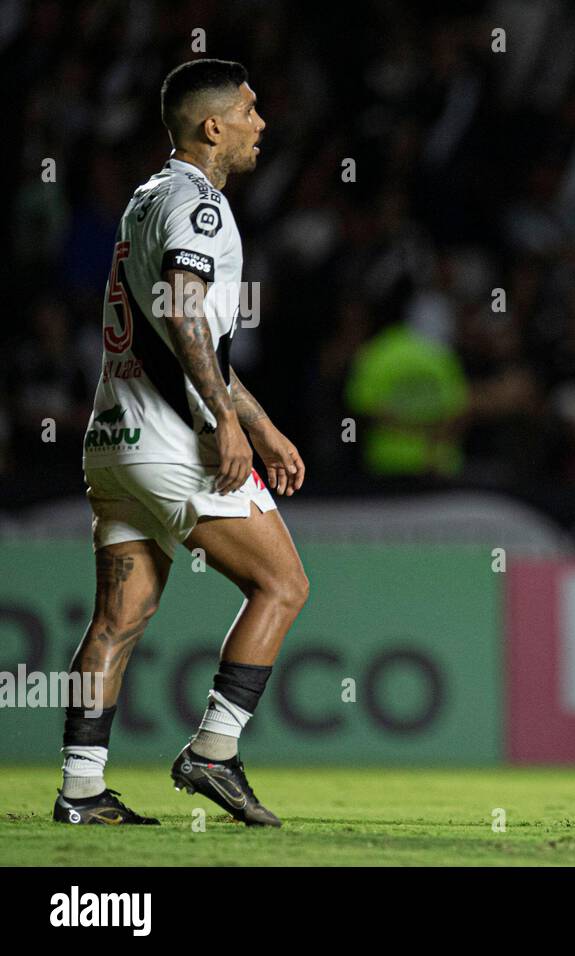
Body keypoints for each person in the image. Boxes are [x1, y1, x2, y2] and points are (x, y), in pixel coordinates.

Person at [58, 59, 308, 827]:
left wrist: (259, 422)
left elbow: (178, 334)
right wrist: (227, 425)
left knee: (119, 616)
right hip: (174, 442)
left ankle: (80, 789)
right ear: (213, 126)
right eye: (250, 110)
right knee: (283, 586)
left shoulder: (146, 198)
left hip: (114, 438)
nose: (260, 123)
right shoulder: (201, 206)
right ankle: (214, 752)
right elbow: (186, 310)